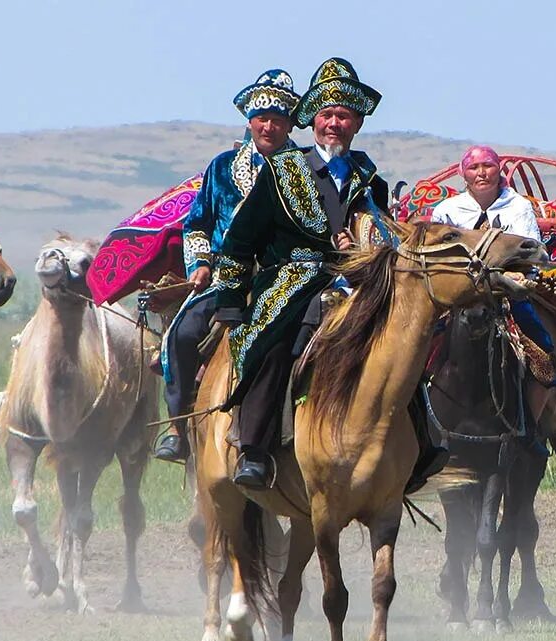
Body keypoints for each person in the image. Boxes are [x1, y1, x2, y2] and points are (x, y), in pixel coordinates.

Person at [212, 57, 396, 489]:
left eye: (344, 116)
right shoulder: (281, 172)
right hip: (290, 282)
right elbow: (240, 241)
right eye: (327, 115)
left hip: (359, 282)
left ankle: (420, 445)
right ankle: (255, 450)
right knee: (276, 344)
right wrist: (230, 303)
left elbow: (385, 234)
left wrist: (366, 249)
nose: (334, 123)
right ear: (313, 121)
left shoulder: (370, 180)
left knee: (406, 339)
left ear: (356, 124)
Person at [153, 69, 301, 462]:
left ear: (289, 124)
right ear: (250, 121)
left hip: (283, 278)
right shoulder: (221, 168)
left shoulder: (302, 171)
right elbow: (197, 222)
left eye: (278, 119)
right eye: (262, 118)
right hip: (223, 277)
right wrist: (199, 263)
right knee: (182, 336)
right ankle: (179, 425)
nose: (269, 126)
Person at [430, 145, 556, 454]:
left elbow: (531, 253)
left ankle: (527, 427)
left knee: (543, 355)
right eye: (474, 168)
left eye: (488, 165)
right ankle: (419, 424)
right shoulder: (448, 209)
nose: (481, 172)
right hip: (455, 297)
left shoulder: (518, 208)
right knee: (416, 347)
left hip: (505, 296)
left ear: (498, 170)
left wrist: (515, 278)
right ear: (463, 174)